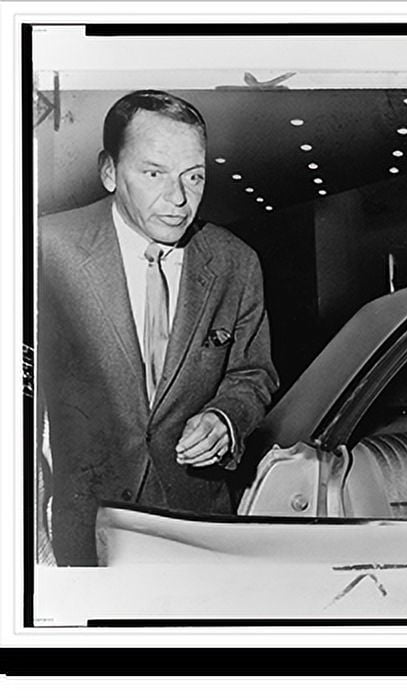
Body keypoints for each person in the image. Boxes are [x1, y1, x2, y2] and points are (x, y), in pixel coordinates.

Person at [37, 90, 280, 565]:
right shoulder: (42, 250)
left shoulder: (235, 263)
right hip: (80, 527)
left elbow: (253, 374)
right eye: (154, 174)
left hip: (197, 524)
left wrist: (226, 420)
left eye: (194, 176)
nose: (179, 198)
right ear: (109, 172)